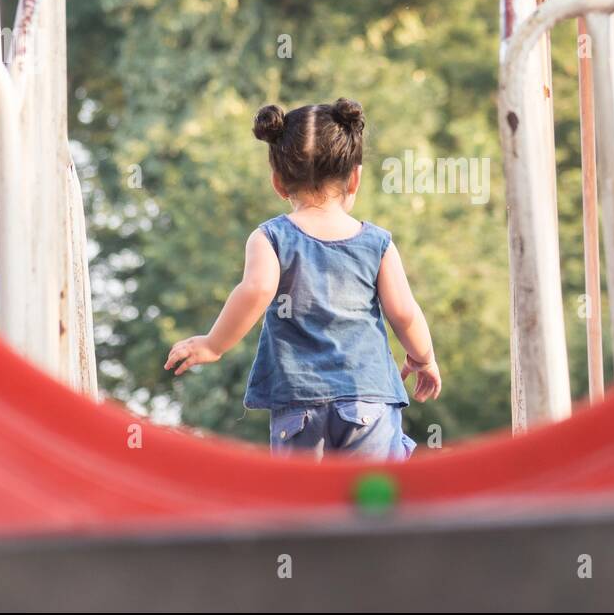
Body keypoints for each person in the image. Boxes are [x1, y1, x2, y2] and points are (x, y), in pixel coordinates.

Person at [164, 98, 440, 461]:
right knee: (374, 493)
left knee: (303, 495)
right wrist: (423, 358)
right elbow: (403, 312)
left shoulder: (270, 238)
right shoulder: (378, 243)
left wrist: (214, 345)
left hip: (299, 405)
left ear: (278, 183)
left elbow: (256, 290)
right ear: (355, 178)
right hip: (368, 399)